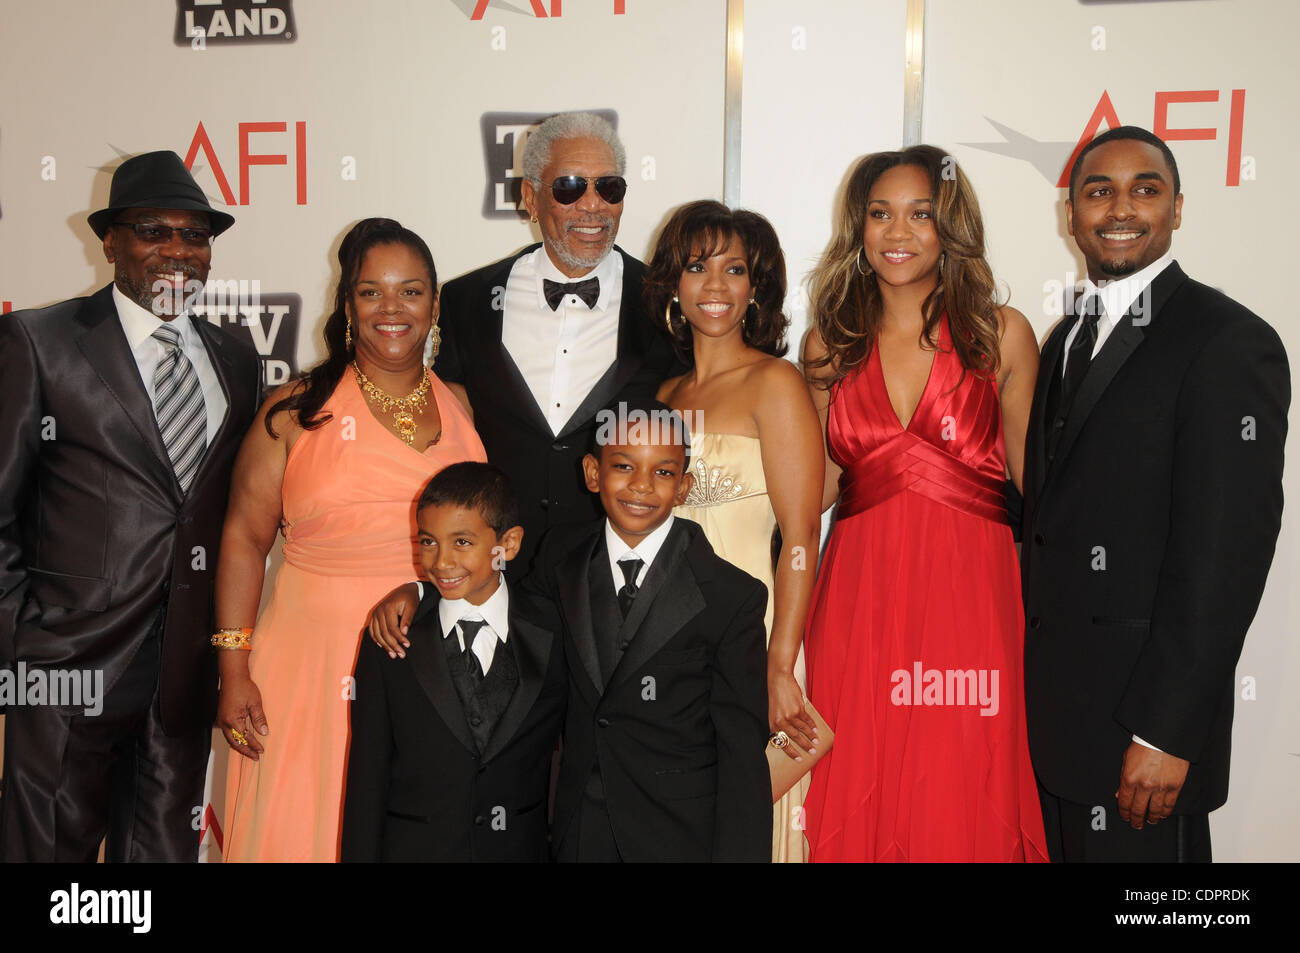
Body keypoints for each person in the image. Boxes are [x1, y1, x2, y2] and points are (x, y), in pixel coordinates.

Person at [1021, 126, 1289, 862]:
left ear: (1178, 209)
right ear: (1070, 212)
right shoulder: (1064, 338)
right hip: (1058, 734)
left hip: (1143, 739)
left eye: (1146, 188)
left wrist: (1167, 730)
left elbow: (1228, 554)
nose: (1121, 207)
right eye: (1098, 190)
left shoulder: (1227, 339)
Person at [0, 150, 261, 861]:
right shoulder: (40, 342)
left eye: (195, 235)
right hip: (65, 668)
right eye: (154, 231)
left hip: (182, 677)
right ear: (110, 241)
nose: (178, 251)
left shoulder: (238, 361)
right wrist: (23, 649)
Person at [801, 145, 1048, 862]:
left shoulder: (1001, 334)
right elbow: (812, 492)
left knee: (961, 772)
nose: (897, 231)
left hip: (972, 599)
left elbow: (1039, 484)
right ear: (859, 227)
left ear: (950, 227)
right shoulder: (829, 344)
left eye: (920, 214)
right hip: (858, 599)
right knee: (860, 769)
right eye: (880, 213)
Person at [215, 218, 486, 862]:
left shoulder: (463, 408)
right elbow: (242, 540)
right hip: (309, 662)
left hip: (428, 662)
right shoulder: (295, 411)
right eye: (372, 292)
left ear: (435, 303)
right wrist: (232, 669)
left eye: (411, 291)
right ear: (346, 306)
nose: (392, 309)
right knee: (304, 824)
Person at [647, 200, 824, 863]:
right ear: (673, 282)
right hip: (664, 642)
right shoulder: (662, 396)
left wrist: (780, 666)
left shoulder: (775, 383)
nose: (715, 286)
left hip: (752, 639)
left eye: (734, 269)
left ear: (756, 288)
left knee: (745, 827)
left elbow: (802, 535)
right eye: (697, 267)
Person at [434, 111, 678, 584]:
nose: (594, 206)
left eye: (610, 188)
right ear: (530, 196)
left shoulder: (664, 304)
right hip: (496, 583)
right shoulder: (466, 302)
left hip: (620, 585)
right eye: (570, 187)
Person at [526, 399, 771, 862]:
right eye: (623, 466)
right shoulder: (559, 559)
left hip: (679, 838)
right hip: (580, 832)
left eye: (662, 472)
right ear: (592, 473)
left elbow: (742, 756)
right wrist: (421, 594)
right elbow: (504, 616)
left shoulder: (730, 596)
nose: (641, 485)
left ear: (684, 487)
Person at [341, 462, 566, 862]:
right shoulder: (390, 636)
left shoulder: (554, 631)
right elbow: (367, 779)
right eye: (428, 542)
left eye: (462, 542)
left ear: (508, 545)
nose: (441, 562)